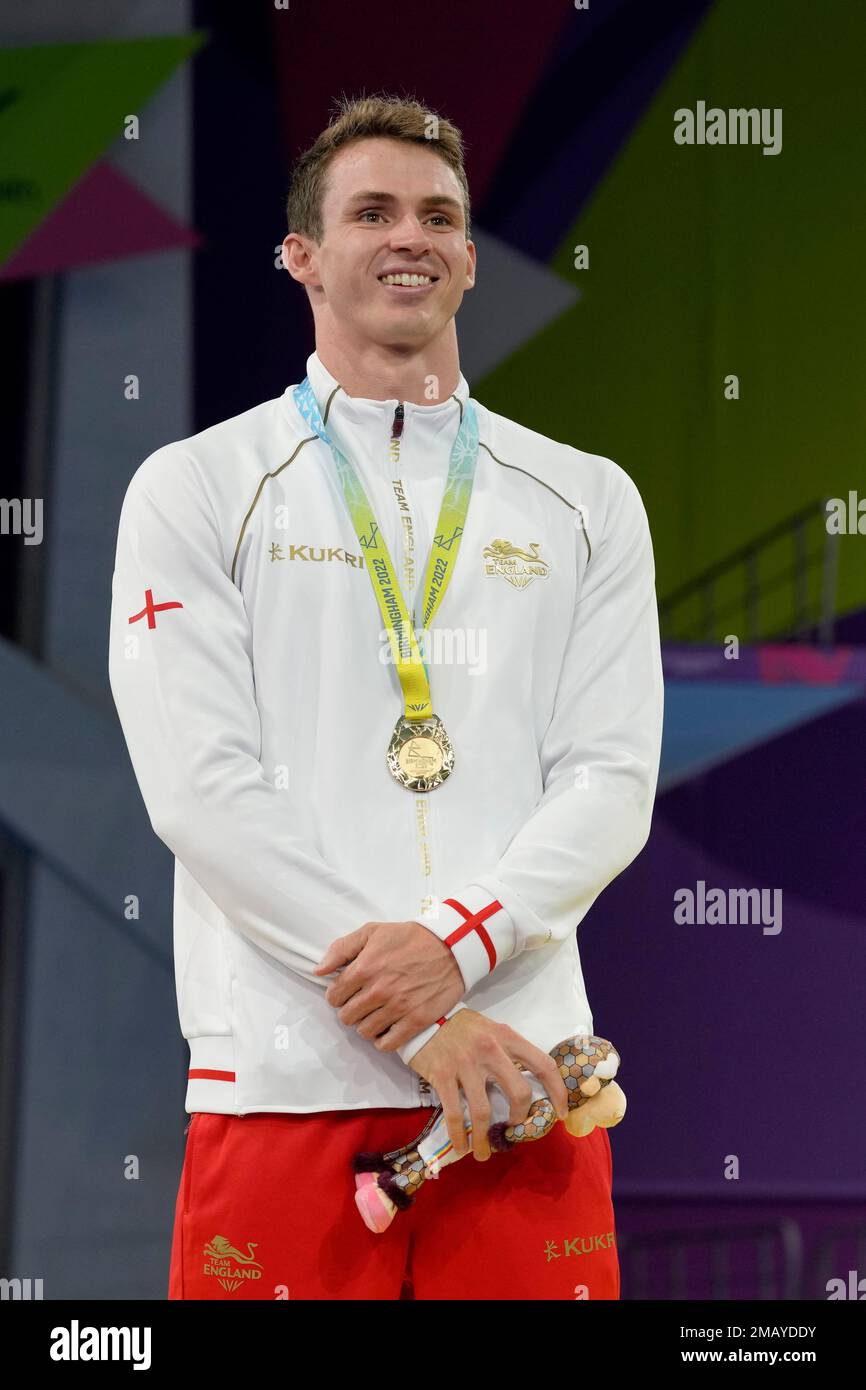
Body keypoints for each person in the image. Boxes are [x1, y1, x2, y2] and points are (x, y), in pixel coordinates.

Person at [108, 93, 664, 1301]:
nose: (409, 235)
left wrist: (459, 949)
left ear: (467, 258)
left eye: (438, 216)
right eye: (370, 212)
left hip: (523, 1078)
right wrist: (420, 1021)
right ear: (301, 255)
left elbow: (610, 779)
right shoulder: (196, 487)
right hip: (284, 1077)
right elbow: (201, 790)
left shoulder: (586, 500)